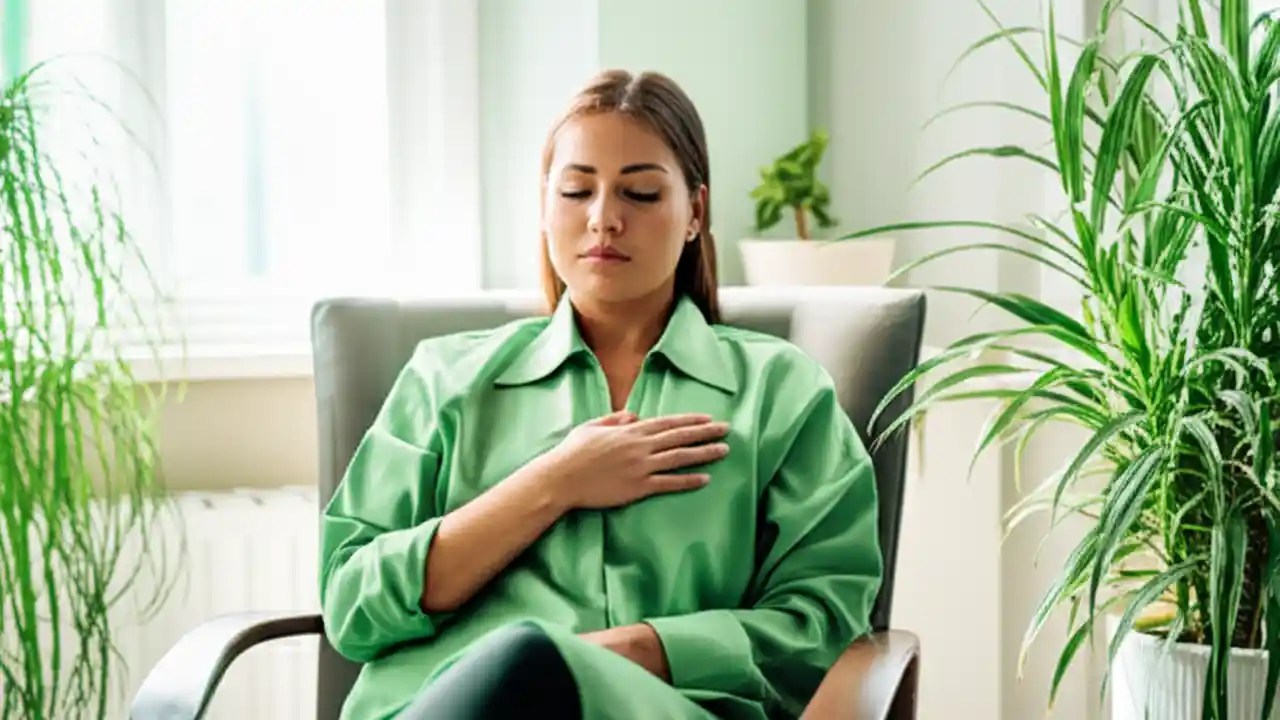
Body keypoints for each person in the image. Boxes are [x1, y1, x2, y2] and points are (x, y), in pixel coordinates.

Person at [319, 69, 883, 720]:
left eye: (641, 193)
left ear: (696, 213)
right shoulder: (443, 378)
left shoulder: (782, 394)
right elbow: (352, 607)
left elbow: (824, 623)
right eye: (576, 190)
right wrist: (556, 481)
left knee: (530, 662)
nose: (604, 219)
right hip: (431, 704)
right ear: (543, 206)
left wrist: (639, 650)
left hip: (663, 709)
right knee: (516, 666)